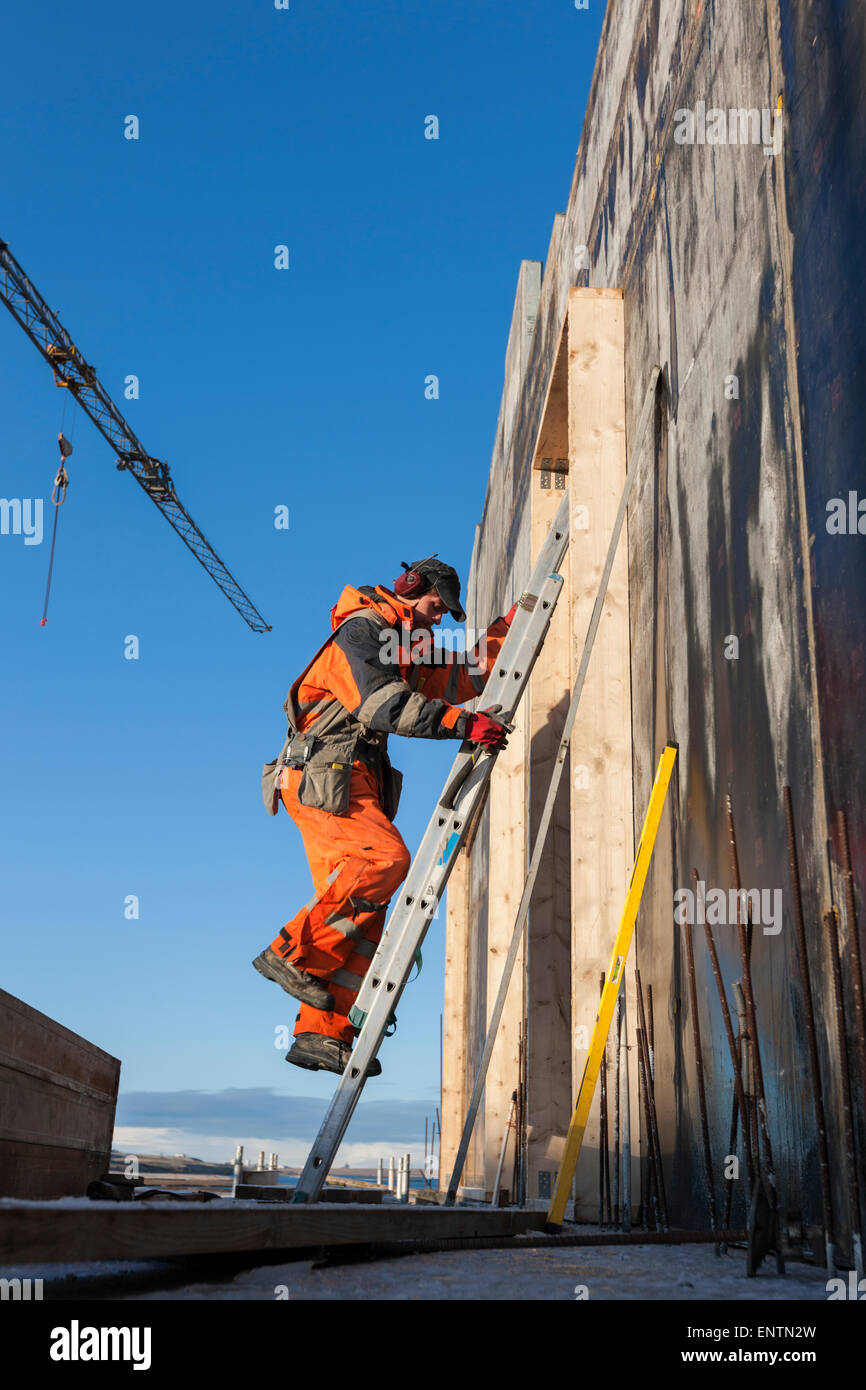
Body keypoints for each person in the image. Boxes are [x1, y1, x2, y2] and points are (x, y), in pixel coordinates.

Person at [255, 555, 516, 1075]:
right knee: (385, 860)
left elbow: (460, 678)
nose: (438, 619)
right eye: (436, 606)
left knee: (360, 911)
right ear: (411, 587)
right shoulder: (364, 631)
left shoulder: (403, 645)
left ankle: (319, 1033)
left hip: (341, 780)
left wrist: (505, 632)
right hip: (325, 776)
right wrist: (463, 726)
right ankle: (291, 953)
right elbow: (381, 704)